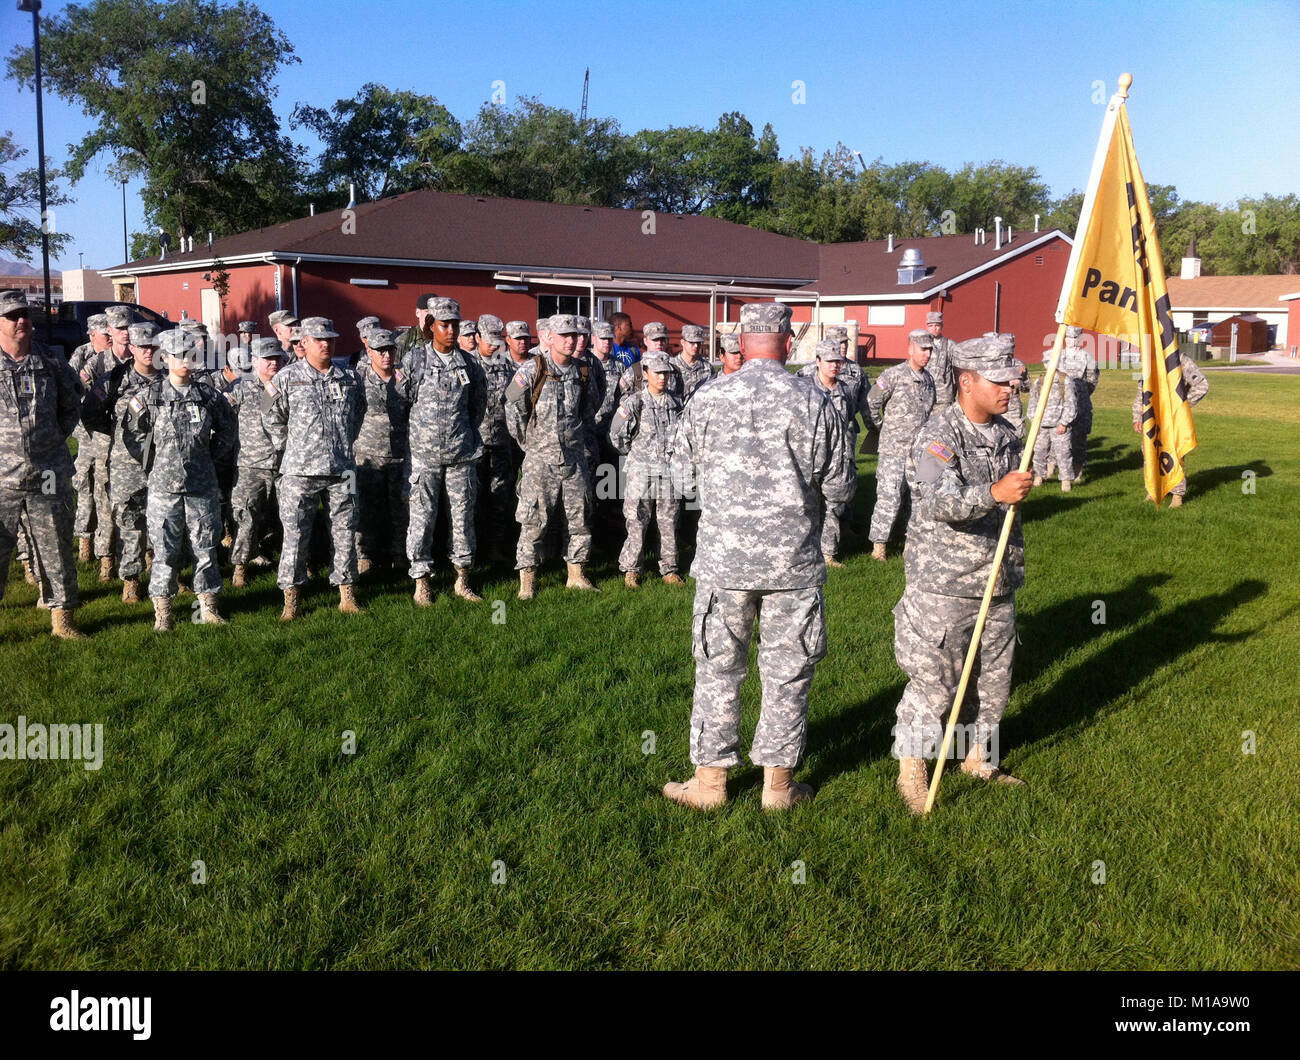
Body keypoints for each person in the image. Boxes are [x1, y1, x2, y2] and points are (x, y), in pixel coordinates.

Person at [663, 302, 852, 812]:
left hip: (725, 563)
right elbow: (840, 485)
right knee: (788, 671)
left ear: (742, 344)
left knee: (718, 668)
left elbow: (679, 478)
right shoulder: (814, 400)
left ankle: (710, 785)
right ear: (788, 342)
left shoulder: (707, 397)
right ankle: (777, 787)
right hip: (792, 563)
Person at [893, 337, 1032, 815]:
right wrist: (996, 491)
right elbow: (938, 502)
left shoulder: (1009, 435)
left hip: (997, 579)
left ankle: (977, 758)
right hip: (945, 584)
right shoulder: (937, 436)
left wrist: (1014, 489)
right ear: (966, 380)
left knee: (994, 682)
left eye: (1012, 379)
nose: (1010, 388)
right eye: (999, 380)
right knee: (936, 683)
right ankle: (912, 766)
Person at [122, 328, 236, 630]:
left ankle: (207, 607)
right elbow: (132, 433)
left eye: (191, 354)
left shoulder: (207, 395)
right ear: (166, 357)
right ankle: (164, 614)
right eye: (179, 355)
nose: (187, 360)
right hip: (164, 489)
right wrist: (151, 462)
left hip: (202, 486)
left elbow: (228, 428)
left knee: (206, 548)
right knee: (165, 551)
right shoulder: (149, 396)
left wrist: (211, 457)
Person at [265, 316, 365, 618]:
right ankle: (291, 598)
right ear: (303, 343)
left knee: (346, 531)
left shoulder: (349, 378)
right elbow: (271, 417)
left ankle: (346, 593)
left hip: (343, 470)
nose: (326, 344)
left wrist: (343, 443)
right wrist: (291, 447)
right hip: (299, 470)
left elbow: (357, 415)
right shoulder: (286, 378)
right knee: (295, 534)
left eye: (330, 339)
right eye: (319, 340)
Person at [0, 289, 86, 639]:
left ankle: (62, 620)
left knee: (56, 544)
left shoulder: (51, 361)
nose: (22, 320)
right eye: (13, 316)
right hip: (1, 478)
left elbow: (71, 406)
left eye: (26, 314)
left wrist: (49, 441)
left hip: (48, 473)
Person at [504, 313, 601, 598]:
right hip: (539, 461)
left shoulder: (583, 372)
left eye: (575, 336)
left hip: (574, 459)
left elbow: (590, 406)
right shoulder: (531, 370)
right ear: (550, 338)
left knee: (579, 517)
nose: (572, 341)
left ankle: (576, 574)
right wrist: (528, 443)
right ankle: (527, 580)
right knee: (534, 520)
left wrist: (576, 438)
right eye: (565, 336)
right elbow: (512, 408)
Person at [405, 298, 487, 605]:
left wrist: (461, 432)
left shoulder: (469, 363)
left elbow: (477, 405)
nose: (451, 330)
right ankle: (422, 580)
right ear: (431, 327)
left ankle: (462, 578)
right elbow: (403, 401)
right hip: (423, 457)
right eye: (444, 325)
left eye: (455, 324)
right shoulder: (415, 360)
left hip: (461, 455)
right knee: (422, 518)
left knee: (463, 517)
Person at [82, 321, 161, 605]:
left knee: (163, 520)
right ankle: (131, 579)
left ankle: (165, 575)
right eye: (143, 346)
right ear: (133, 348)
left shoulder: (169, 380)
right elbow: (90, 413)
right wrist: (118, 435)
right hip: (126, 464)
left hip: (163, 463)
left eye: (153, 346)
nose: (149, 351)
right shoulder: (115, 380)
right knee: (130, 522)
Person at [611, 352, 683, 589]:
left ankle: (669, 568)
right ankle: (632, 569)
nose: (662, 378)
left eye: (666, 373)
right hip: (641, 471)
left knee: (669, 520)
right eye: (657, 373)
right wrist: (635, 456)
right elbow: (616, 435)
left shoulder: (676, 404)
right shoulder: (634, 402)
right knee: (636, 520)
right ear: (646, 374)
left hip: (669, 472)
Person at [799, 339, 870, 567]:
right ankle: (805, 552)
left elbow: (849, 418)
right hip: (809, 457)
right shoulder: (805, 389)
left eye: (838, 361)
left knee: (833, 506)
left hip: (837, 457)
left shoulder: (845, 390)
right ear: (818, 361)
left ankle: (828, 554)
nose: (834, 366)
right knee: (806, 506)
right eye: (829, 361)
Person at [867, 329, 936, 561]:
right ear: (910, 349)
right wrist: (880, 427)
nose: (927, 354)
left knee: (916, 498)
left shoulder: (929, 380)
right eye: (923, 349)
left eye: (930, 349)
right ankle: (879, 546)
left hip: (919, 452)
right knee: (890, 497)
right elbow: (871, 402)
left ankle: (911, 542)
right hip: (893, 450)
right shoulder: (893, 375)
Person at [77, 305, 134, 580]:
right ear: (109, 331)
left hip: (136, 449)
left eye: (127, 328)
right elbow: (86, 407)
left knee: (135, 504)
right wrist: (105, 434)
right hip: (104, 447)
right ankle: (106, 560)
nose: (125, 333)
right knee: (104, 503)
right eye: (119, 328)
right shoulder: (97, 364)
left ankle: (140, 559)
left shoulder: (143, 362)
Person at [351, 328, 412, 578]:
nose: (386, 355)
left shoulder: (404, 378)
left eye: (391, 349)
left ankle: (399, 554)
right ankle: (365, 556)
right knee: (366, 509)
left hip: (399, 454)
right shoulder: (358, 379)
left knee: (401, 509)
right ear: (369, 351)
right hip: (368, 455)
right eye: (380, 350)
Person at [226, 338, 285, 587]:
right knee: (246, 517)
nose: (273, 363)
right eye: (267, 359)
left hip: (285, 464)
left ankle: (298, 565)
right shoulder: (241, 389)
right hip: (250, 465)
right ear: (254, 361)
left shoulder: (290, 386)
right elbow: (224, 420)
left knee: (290, 518)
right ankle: (240, 567)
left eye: (277, 358)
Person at [1132, 351, 1209, 508]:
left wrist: (1182, 406)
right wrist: (1137, 416)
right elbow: (1142, 391)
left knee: (1174, 453)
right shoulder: (1149, 359)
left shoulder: (1179, 359)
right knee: (1150, 452)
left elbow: (1202, 386)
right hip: (1151, 416)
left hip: (1173, 418)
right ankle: (1153, 490)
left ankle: (1177, 495)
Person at [473, 317, 518, 564]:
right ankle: (472, 551)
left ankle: (495, 548)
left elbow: (516, 400)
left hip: (502, 442)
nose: (493, 346)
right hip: (474, 443)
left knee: (500, 498)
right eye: (489, 341)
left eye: (497, 342)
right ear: (478, 338)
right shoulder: (468, 365)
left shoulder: (506, 366)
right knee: (473, 499)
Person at [69, 312, 112, 565]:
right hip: (85, 432)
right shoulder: (82, 355)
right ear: (93, 334)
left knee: (105, 485)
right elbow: (72, 388)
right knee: (85, 483)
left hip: (105, 429)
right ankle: (85, 538)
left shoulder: (114, 356)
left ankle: (106, 541)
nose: (109, 338)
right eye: (105, 335)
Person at [1027, 363, 1078, 491]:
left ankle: (1066, 480)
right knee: (1039, 452)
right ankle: (1039, 476)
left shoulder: (1064, 381)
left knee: (1063, 453)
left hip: (1059, 425)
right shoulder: (1039, 381)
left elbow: (1071, 403)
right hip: (1041, 425)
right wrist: (1034, 422)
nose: (1048, 364)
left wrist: (1064, 422)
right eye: (1046, 362)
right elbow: (1033, 403)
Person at [1059, 325, 1099, 481]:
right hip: (1060, 403)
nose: (1071, 341)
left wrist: (1080, 394)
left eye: (1074, 338)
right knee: (1059, 437)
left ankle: (1077, 468)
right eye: (1068, 337)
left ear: (1080, 339)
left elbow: (1092, 380)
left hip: (1081, 402)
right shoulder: (1057, 356)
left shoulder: (1087, 358)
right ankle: (1056, 468)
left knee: (1079, 438)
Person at [671, 324, 715, 405]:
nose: (696, 346)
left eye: (698, 343)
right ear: (682, 342)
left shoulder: (707, 368)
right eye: (692, 342)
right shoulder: (671, 366)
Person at [924, 310, 958, 409]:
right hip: (925, 395)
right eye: (931, 326)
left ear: (941, 326)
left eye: (937, 325)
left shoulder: (951, 345)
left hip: (943, 397)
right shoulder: (922, 344)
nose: (934, 328)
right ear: (927, 327)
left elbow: (956, 370)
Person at [397, 293, 438, 363]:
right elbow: (395, 369)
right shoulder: (405, 340)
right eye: (427, 311)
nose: (432, 315)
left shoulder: (445, 338)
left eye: (436, 311)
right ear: (417, 313)